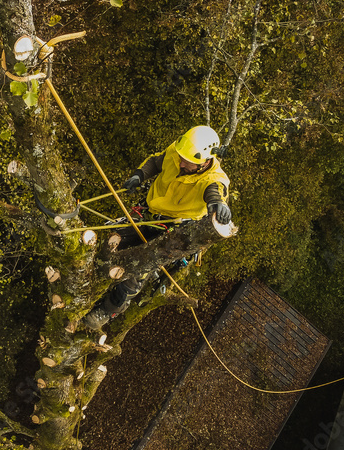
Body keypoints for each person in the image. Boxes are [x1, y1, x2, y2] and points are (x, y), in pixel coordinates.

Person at [83, 126, 232, 330]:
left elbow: (215, 193)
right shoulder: (180, 151)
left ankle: (108, 310)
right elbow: (156, 162)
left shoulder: (214, 179)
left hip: (171, 229)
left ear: (206, 161)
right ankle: (85, 284)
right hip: (148, 213)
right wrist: (139, 175)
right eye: (181, 157)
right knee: (111, 241)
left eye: (188, 162)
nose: (181, 163)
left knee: (136, 270)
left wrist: (219, 206)